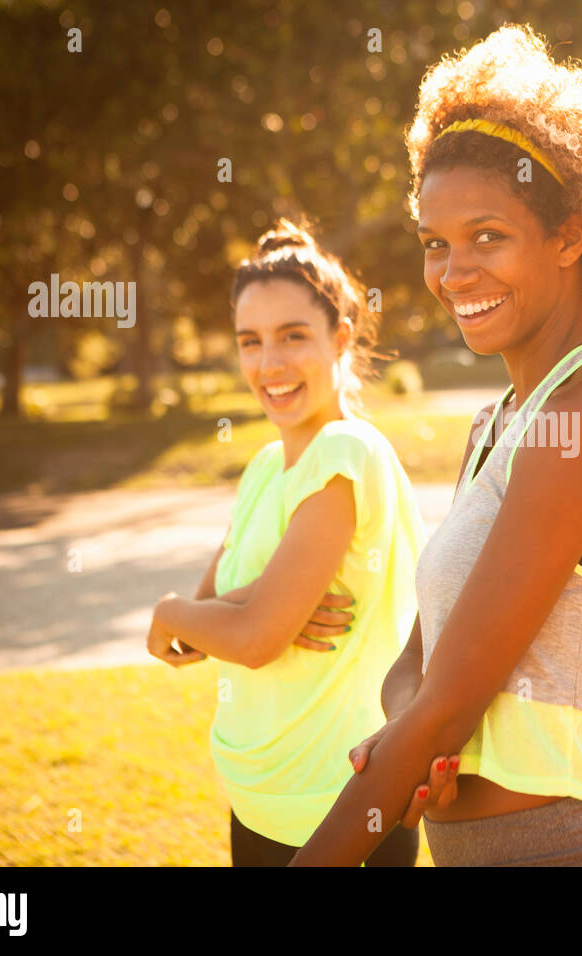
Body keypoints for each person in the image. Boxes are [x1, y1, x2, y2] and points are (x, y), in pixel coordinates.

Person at [289, 23, 582, 866]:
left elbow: (445, 702)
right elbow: (417, 666)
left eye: (489, 236)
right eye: (435, 245)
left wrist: (428, 730)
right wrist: (421, 743)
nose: (454, 272)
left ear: (570, 236)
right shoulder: (496, 429)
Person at [145, 219, 427, 866]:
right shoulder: (265, 469)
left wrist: (178, 615)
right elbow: (201, 632)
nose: (269, 364)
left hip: (340, 810)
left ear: (342, 339)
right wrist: (261, 604)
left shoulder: (346, 453)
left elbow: (242, 638)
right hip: (255, 803)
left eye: (293, 337)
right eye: (251, 341)